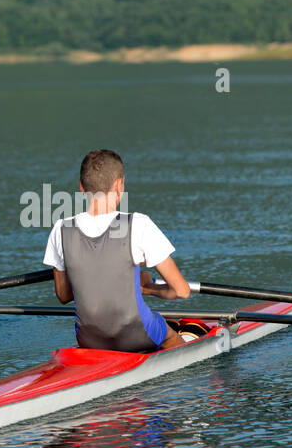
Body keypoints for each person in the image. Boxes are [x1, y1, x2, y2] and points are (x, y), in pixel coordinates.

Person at [43, 149, 191, 352]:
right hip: (138, 334)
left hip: (88, 339)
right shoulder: (139, 224)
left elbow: (63, 295)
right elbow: (182, 291)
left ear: (81, 187)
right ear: (118, 185)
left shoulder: (60, 229)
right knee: (167, 332)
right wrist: (147, 288)